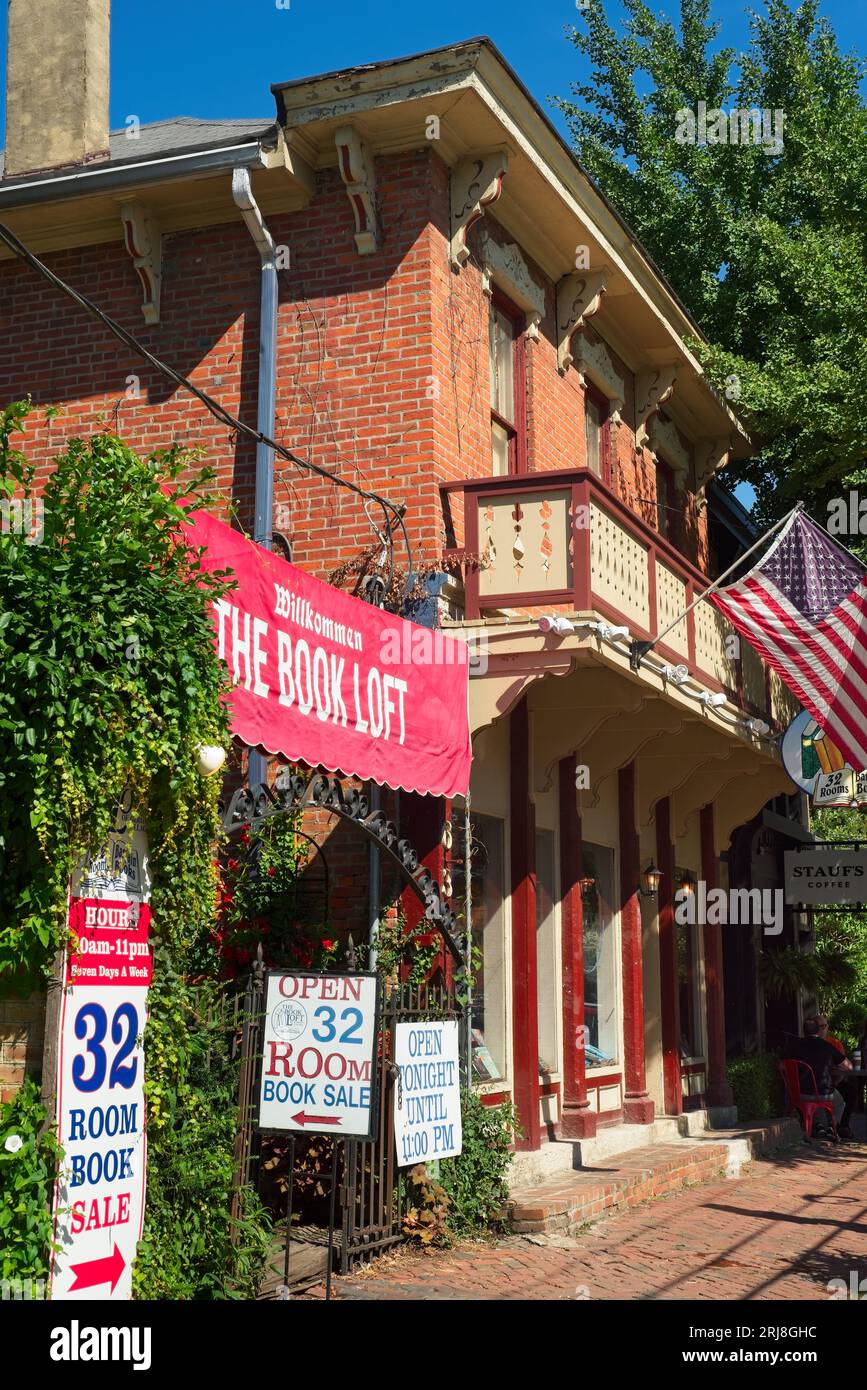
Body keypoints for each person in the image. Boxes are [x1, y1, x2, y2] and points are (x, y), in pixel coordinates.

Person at [786, 1018, 854, 1138]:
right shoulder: (828, 1046)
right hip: (823, 1093)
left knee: (815, 1093)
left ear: (803, 1032)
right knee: (839, 1102)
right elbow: (849, 1066)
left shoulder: (794, 1046)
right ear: (818, 1031)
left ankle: (819, 1125)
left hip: (798, 1092)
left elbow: (781, 1065)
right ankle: (831, 1126)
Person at [815, 1015, 858, 1139]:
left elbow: (845, 1067)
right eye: (819, 1026)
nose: (822, 1029)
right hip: (820, 1085)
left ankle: (843, 1125)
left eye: (824, 1026)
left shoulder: (834, 1044)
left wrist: (836, 1082)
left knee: (852, 1091)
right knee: (835, 1098)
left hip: (834, 1082)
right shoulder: (812, 1044)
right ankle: (832, 1126)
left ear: (828, 1027)